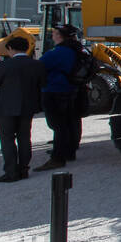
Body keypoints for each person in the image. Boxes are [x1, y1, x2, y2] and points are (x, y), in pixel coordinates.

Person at [0, 35, 45, 183]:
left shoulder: (4, 66)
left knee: (7, 139)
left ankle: (11, 171)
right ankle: (24, 169)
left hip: (6, 106)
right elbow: (43, 84)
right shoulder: (37, 65)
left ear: (10, 49)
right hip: (28, 106)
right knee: (24, 138)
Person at [37, 24, 87, 170]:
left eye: (54, 33)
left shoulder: (58, 52)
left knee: (58, 125)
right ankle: (69, 151)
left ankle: (57, 157)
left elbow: (40, 67)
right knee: (71, 122)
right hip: (73, 90)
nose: (52, 35)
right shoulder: (77, 49)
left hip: (55, 90)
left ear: (60, 36)